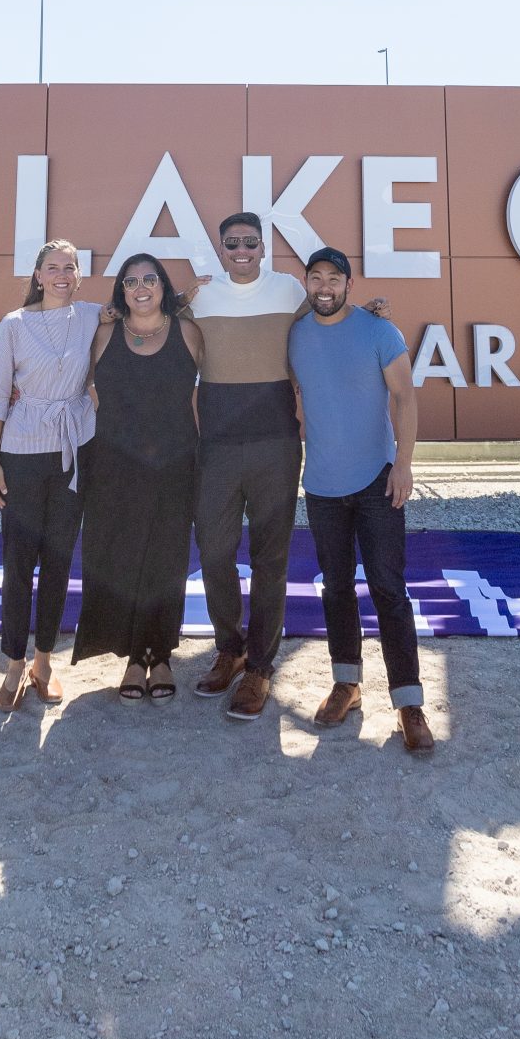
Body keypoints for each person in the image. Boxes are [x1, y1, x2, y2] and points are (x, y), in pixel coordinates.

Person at [287, 245, 436, 758]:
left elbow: (405, 398)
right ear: (306, 284)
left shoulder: (379, 332)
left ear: (349, 285)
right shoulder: (296, 334)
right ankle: (346, 684)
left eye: (334, 278)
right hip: (322, 484)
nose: (324, 286)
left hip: (377, 479)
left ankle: (408, 703)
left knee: (389, 589)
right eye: (315, 278)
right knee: (335, 588)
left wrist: (403, 464)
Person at [188, 211, 307, 721]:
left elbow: (331, 319)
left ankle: (260, 665)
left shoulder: (290, 290)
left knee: (270, 559)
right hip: (214, 446)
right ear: (222, 249)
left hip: (276, 444)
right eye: (232, 242)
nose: (242, 250)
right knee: (214, 551)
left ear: (263, 248)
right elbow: (148, 324)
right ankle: (229, 648)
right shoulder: (200, 296)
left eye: (250, 243)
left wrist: (374, 311)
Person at [0, 239, 99, 712]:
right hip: (22, 452)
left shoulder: (92, 316)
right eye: (53, 267)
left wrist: (186, 297)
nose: (62, 275)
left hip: (74, 450)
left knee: (60, 560)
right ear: (38, 275)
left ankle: (44, 662)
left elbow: (145, 312)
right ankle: (13, 662)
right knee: (18, 563)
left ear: (78, 275)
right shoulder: (14, 325)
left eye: (70, 267)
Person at [73, 251, 203, 700]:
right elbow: (68, 378)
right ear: (120, 291)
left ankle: (160, 654)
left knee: (166, 561)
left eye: (150, 279)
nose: (141, 287)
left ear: (164, 287)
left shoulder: (188, 332)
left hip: (174, 465)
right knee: (119, 558)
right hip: (112, 465)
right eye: (131, 281)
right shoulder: (102, 331)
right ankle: (132, 657)